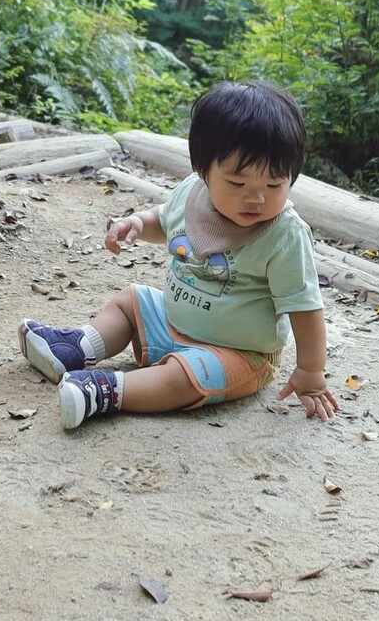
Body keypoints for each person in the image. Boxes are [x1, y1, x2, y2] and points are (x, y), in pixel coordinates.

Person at [19, 80, 341, 429]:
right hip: (169, 322)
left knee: (185, 378)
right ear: (203, 171)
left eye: (274, 185)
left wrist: (310, 370)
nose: (257, 198)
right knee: (131, 300)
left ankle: (109, 391)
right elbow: (166, 220)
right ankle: (78, 348)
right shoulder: (192, 193)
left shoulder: (284, 236)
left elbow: (305, 309)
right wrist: (139, 224)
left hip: (235, 355)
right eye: (238, 183)